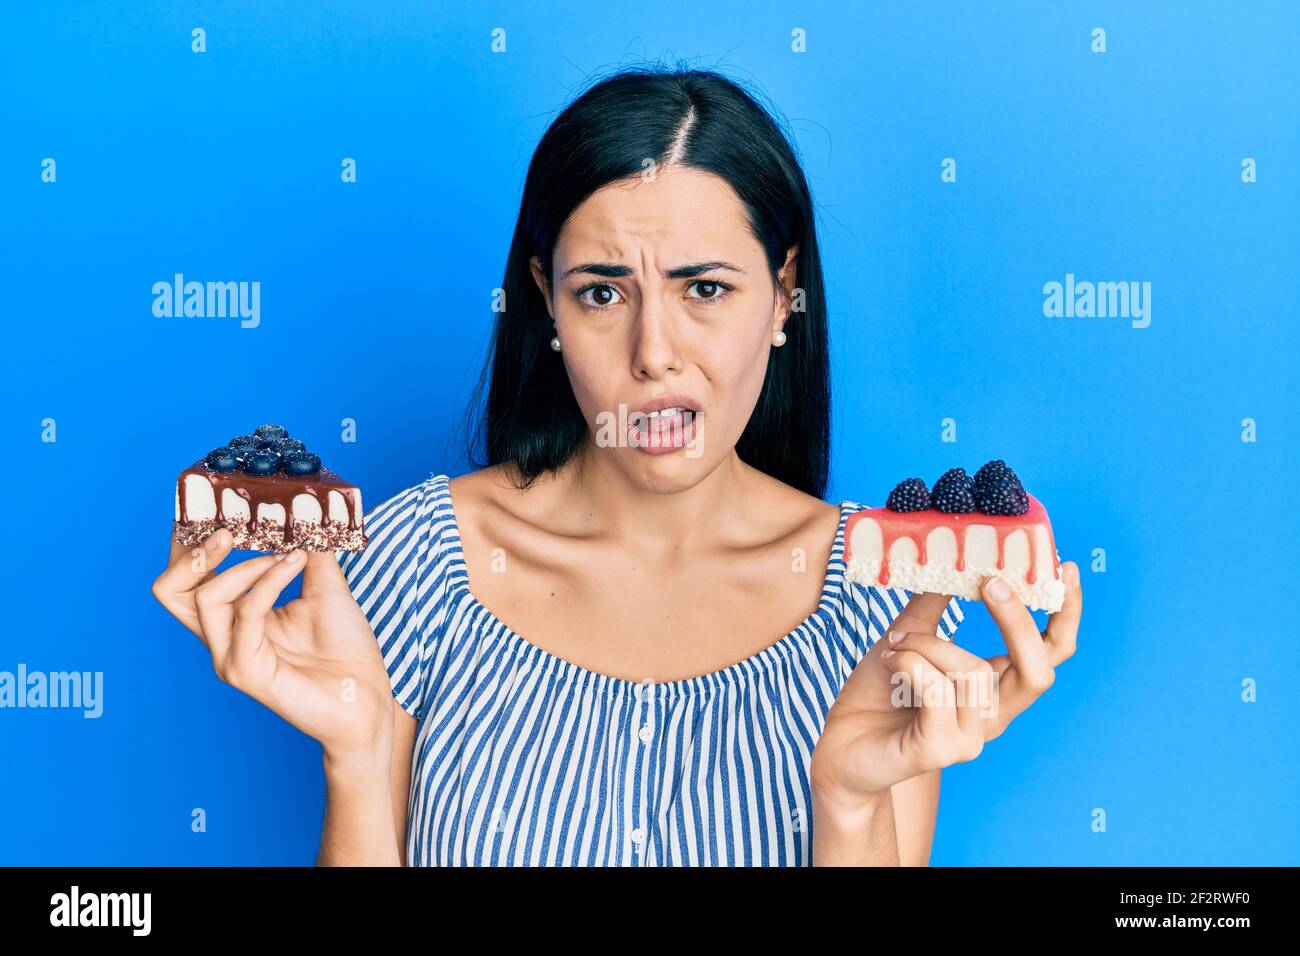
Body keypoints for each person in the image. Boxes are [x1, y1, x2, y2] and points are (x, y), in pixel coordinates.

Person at [152, 64, 1082, 866]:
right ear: (544, 303)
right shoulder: (404, 568)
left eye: (705, 289)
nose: (652, 353)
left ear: (784, 295)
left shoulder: (885, 609)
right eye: (602, 292)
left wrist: (843, 801)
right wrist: (354, 756)